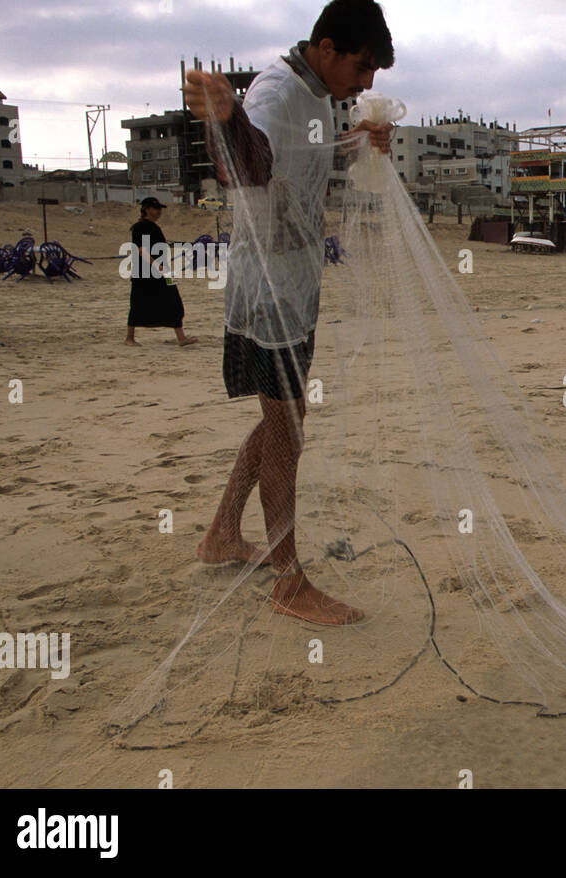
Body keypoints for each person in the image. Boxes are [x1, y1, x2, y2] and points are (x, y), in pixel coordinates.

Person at [185, 0, 395, 625]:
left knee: (288, 416)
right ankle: (288, 579)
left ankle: (223, 534)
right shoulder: (276, 90)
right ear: (326, 48)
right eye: (362, 67)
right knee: (288, 429)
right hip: (268, 291)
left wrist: (353, 143)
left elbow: (306, 163)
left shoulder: (316, 95)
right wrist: (225, 121)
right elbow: (246, 167)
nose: (366, 83)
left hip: (296, 284)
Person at [126, 197, 197, 347]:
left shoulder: (154, 227)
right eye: (155, 208)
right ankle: (129, 338)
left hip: (163, 270)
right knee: (137, 303)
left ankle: (181, 337)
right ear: (146, 209)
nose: (159, 212)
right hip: (144, 272)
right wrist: (156, 265)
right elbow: (140, 250)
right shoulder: (139, 227)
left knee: (174, 300)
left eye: (159, 209)